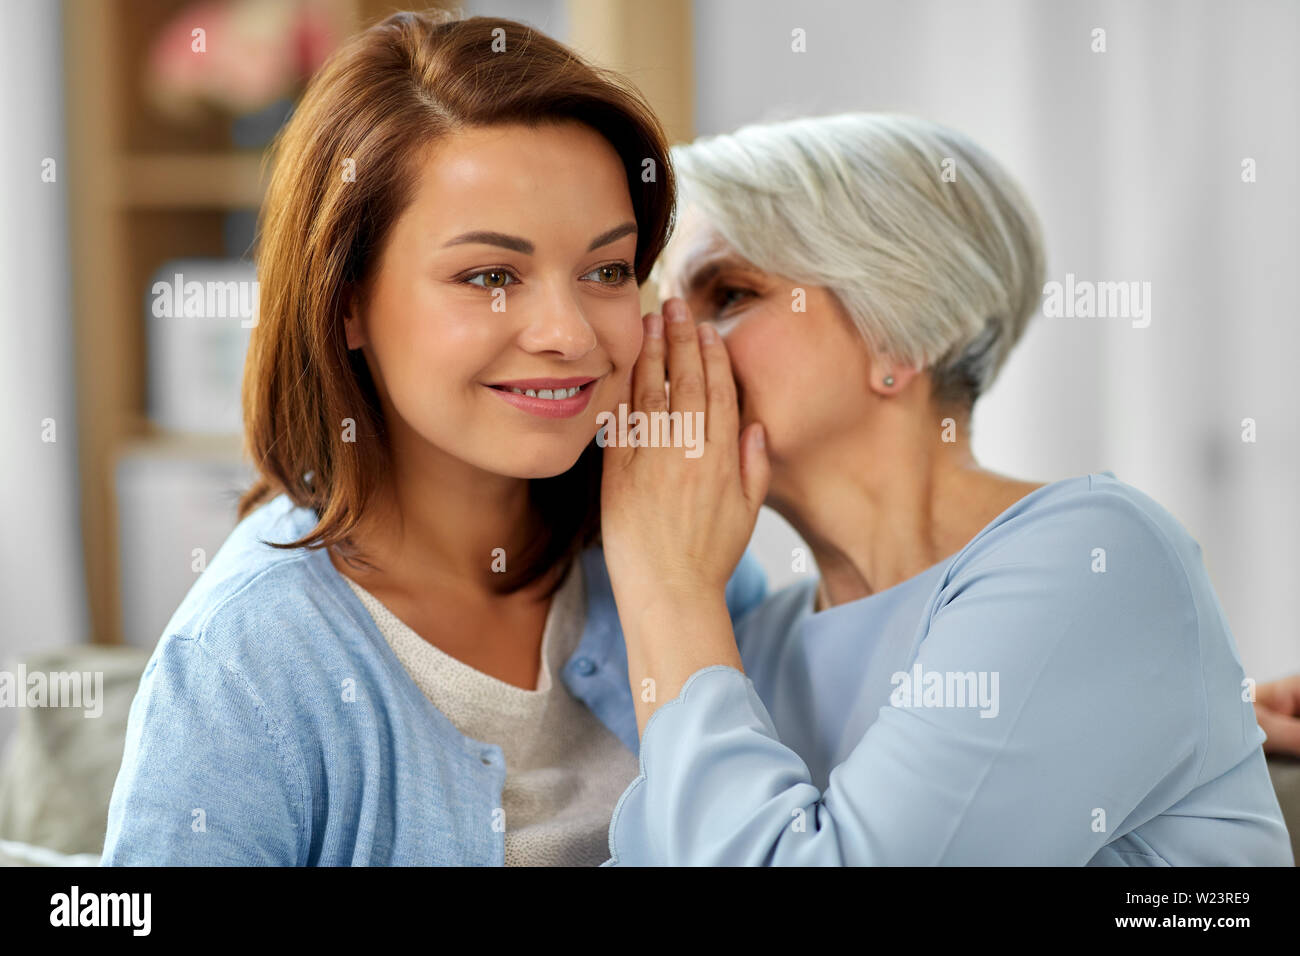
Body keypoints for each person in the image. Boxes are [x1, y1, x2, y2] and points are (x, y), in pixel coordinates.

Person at [101, 10, 764, 866]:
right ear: (345, 303)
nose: (569, 333)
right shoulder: (246, 664)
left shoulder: (686, 558)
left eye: (607, 271)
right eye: (490, 276)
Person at [597, 112, 1293, 865]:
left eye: (728, 294)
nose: (660, 346)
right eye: (662, 308)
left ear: (903, 333)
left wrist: (665, 583)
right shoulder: (749, 643)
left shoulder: (1097, 554)